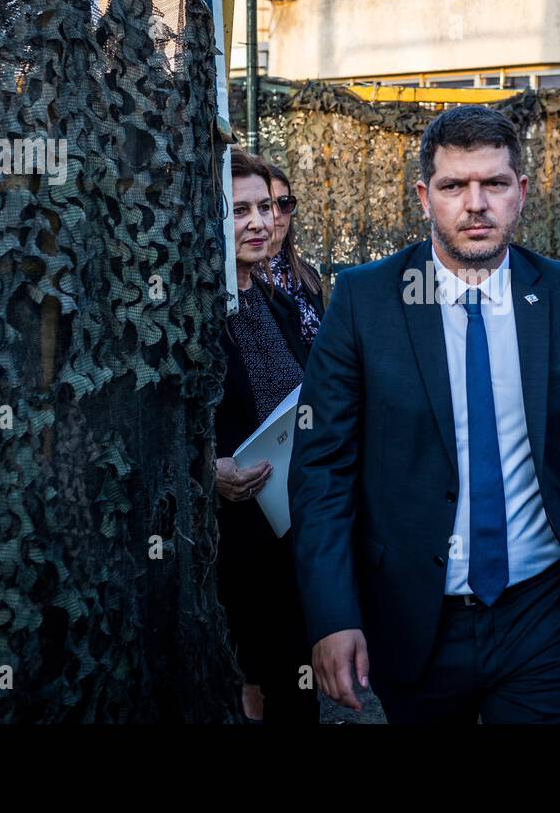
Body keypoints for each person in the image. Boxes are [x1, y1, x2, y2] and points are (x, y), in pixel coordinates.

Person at [289, 105, 560, 724]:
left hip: (545, 615)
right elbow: (322, 472)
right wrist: (333, 613)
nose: (476, 204)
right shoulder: (365, 300)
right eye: (454, 186)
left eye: (494, 184)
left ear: (521, 193)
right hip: (415, 618)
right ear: (425, 197)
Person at [214, 148, 318, 725]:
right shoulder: (187, 311)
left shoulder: (279, 301)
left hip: (294, 532)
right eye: (238, 210)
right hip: (229, 546)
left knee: (295, 689)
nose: (259, 221)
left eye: (265, 207)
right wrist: (210, 470)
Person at [263, 161, 324, 348]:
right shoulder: (240, 279)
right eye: (265, 205)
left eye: (284, 203)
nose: (276, 213)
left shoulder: (308, 275)